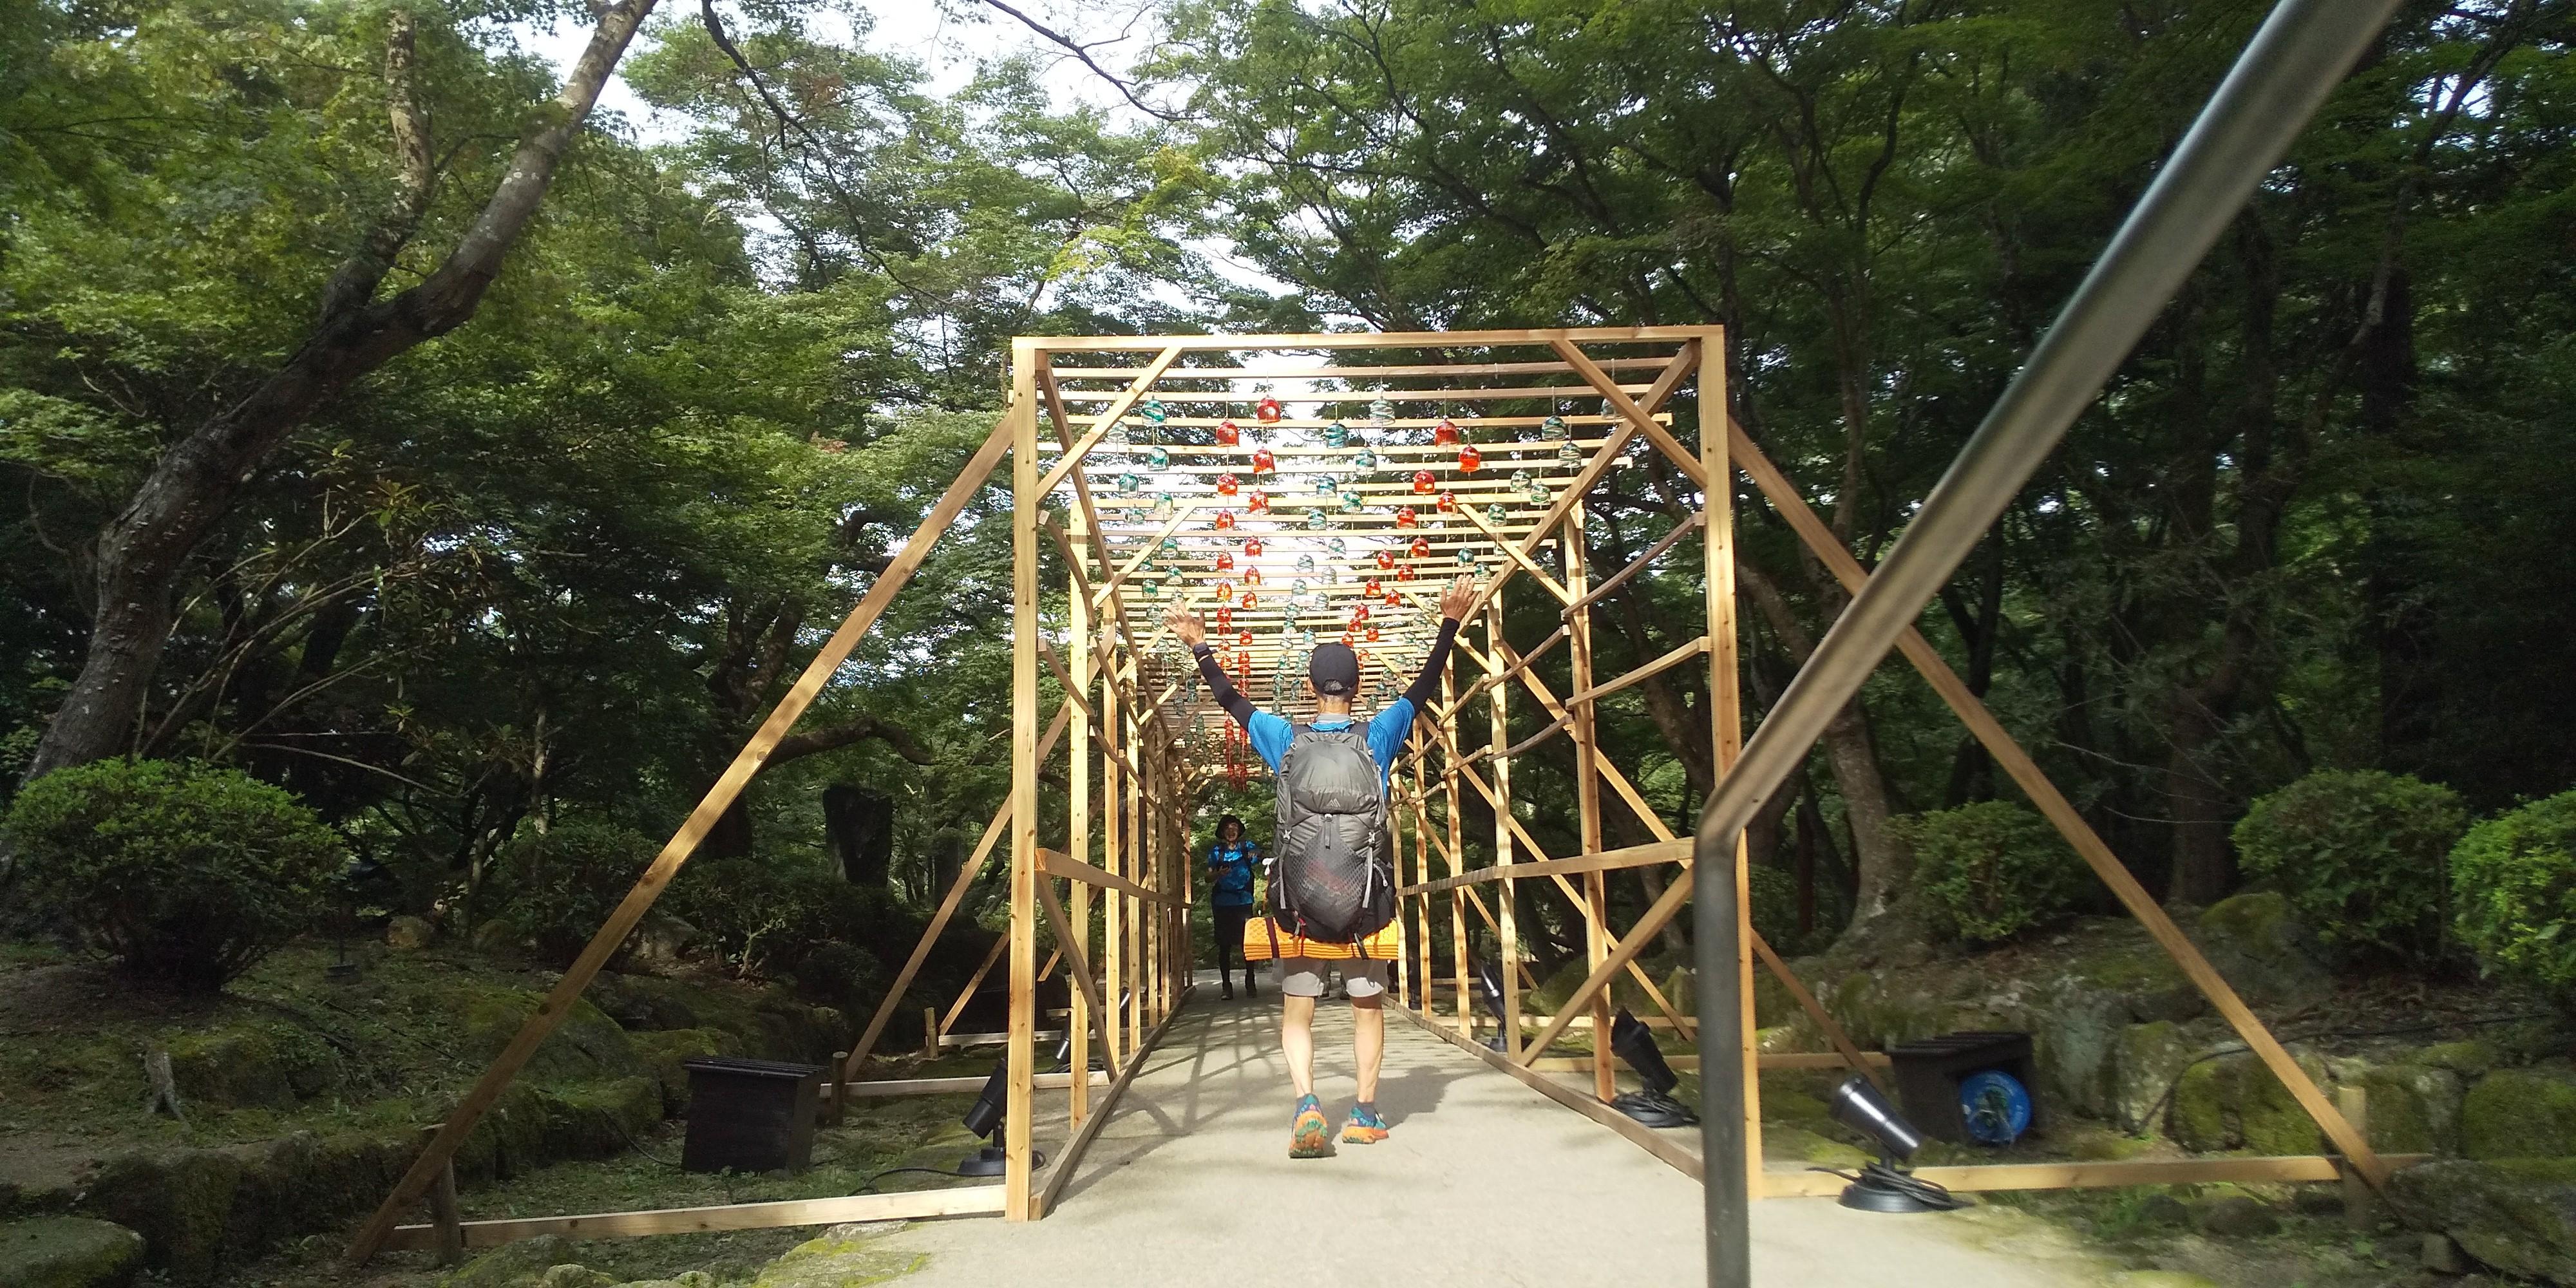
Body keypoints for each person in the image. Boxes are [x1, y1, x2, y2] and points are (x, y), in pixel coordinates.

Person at [1166, 573, 1475, 1158]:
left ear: (1309, 687)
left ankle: (1307, 1103)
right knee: (1367, 1010)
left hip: (1300, 903)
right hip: (1363, 905)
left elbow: (1230, 700)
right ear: (1358, 688)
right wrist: (1450, 622)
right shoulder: (1379, 734)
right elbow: (1424, 686)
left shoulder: (1284, 737)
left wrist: (1199, 643)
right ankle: (1364, 1112)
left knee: (1298, 1011)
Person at [1207, 813, 1260, 999]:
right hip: (1222, 903)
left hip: (1244, 902)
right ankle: (1226, 986)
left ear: (1239, 830)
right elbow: (1208, 877)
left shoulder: (1247, 847)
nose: (1231, 831)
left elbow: (1259, 854)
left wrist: (1256, 854)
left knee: (1248, 944)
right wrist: (1218, 874)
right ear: (1222, 832)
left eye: (1234, 827)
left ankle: (1250, 982)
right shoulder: (1216, 852)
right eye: (1227, 828)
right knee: (1224, 945)